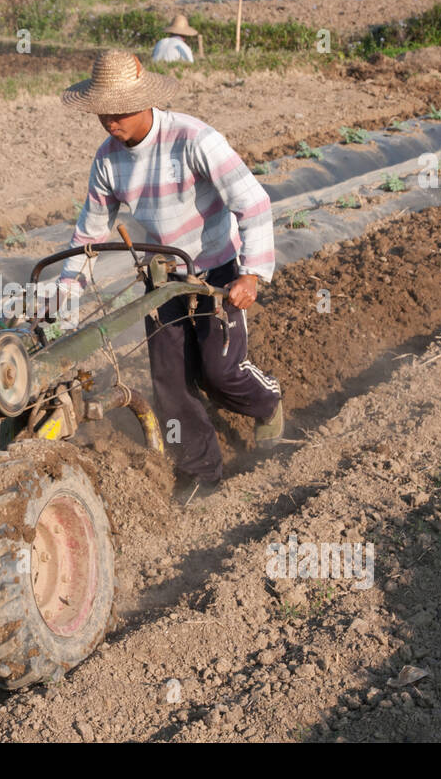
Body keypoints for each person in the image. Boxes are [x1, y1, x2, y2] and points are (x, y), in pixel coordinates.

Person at [57, 49, 282, 504]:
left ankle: (268, 403)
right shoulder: (107, 161)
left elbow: (252, 202)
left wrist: (253, 274)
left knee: (220, 372)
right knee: (171, 383)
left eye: (118, 110)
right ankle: (201, 472)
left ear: (144, 102)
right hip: (162, 278)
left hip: (216, 271)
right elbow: (90, 236)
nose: (109, 121)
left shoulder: (193, 139)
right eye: (103, 111)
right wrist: (64, 301)